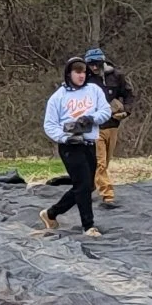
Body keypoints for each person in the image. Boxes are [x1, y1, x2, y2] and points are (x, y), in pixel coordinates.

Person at [38, 56, 112, 237]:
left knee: (88, 186)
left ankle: (51, 213)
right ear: (69, 74)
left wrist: (91, 118)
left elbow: (106, 111)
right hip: (70, 146)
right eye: (77, 72)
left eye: (83, 72)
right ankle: (88, 226)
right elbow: (50, 125)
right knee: (84, 185)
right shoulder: (58, 97)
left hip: (89, 143)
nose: (81, 76)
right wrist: (64, 138)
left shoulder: (94, 90)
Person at [82, 48, 134, 208]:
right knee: (100, 163)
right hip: (94, 127)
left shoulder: (117, 76)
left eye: (96, 64)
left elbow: (129, 94)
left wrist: (126, 110)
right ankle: (107, 195)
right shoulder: (85, 80)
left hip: (113, 125)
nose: (94, 68)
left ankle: (86, 189)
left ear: (102, 62)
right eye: (90, 65)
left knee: (104, 163)